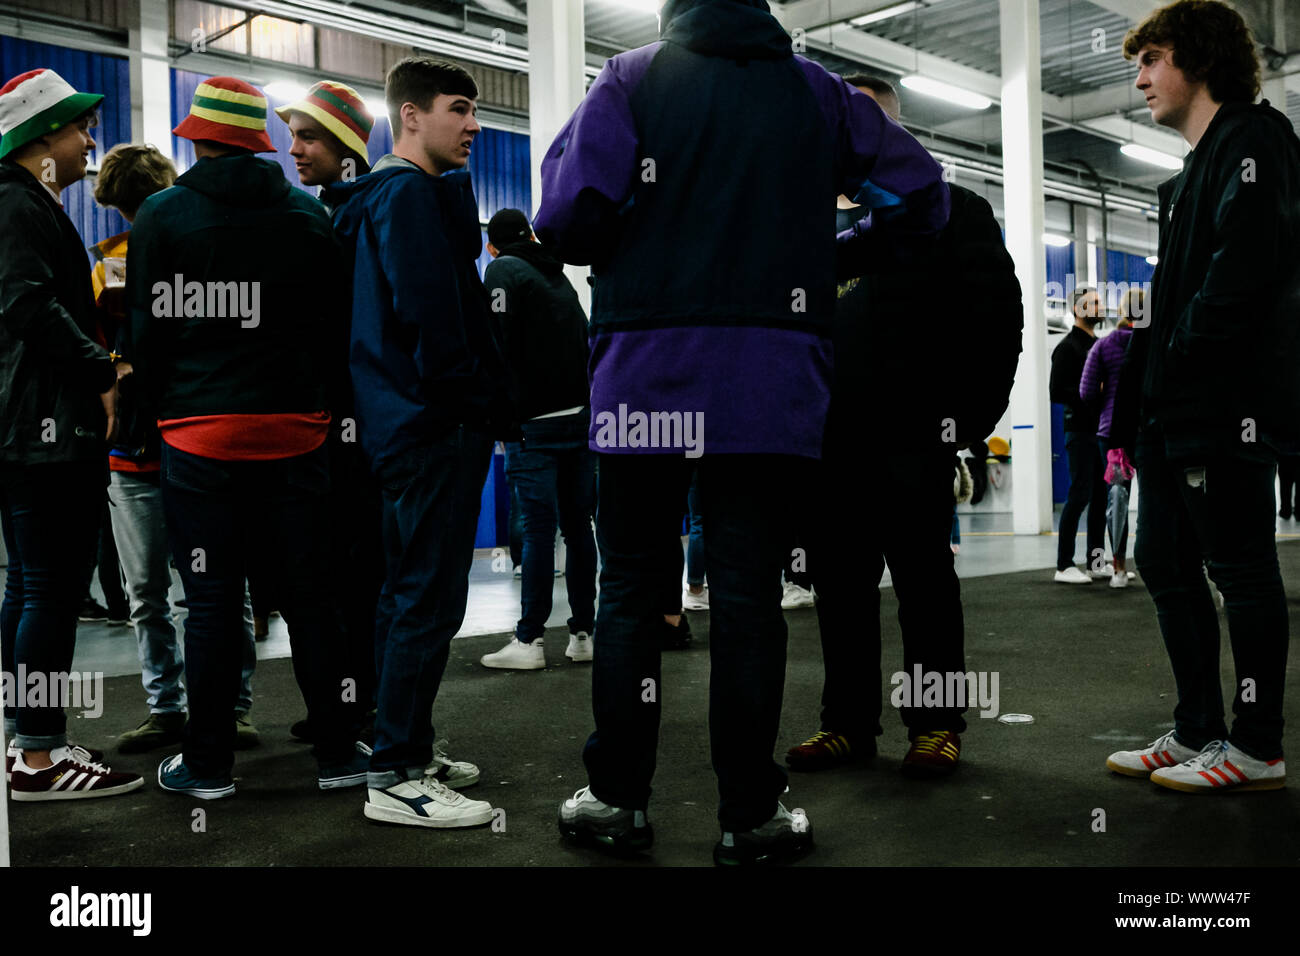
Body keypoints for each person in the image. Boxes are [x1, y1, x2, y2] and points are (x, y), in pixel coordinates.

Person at [536, 0, 949, 865]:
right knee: (750, 598)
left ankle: (617, 800)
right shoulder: (821, 94)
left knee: (629, 594)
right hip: (768, 376)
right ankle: (749, 816)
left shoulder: (633, 77)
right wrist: (839, 246)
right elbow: (921, 198)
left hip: (647, 366)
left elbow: (568, 215)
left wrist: (638, 246)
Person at [126, 76, 365, 798]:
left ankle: (208, 768)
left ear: (197, 137)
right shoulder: (308, 216)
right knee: (311, 600)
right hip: (297, 433)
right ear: (258, 140)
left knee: (209, 602)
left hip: (201, 436)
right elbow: (334, 330)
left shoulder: (162, 217)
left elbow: (146, 336)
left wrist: (165, 414)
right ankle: (339, 752)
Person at [789, 75, 1021, 779]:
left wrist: (965, 425)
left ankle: (936, 725)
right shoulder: (813, 229)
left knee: (925, 587)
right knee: (841, 593)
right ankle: (848, 726)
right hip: (831, 445)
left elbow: (998, 324)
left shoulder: (959, 214)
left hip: (916, 439)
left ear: (893, 130)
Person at [1106, 0, 1298, 793]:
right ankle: (1196, 730)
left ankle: (1255, 747)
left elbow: (1243, 272)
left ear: (1201, 58)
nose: (1141, 78)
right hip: (1170, 411)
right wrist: (1137, 403)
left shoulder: (1256, 140)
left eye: (1152, 59)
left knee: (1240, 566)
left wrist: (1181, 361)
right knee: (1163, 560)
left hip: (1225, 406)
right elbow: (1173, 294)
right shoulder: (1185, 175)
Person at [324, 56, 514, 828]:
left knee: (406, 596)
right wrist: (473, 404)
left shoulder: (391, 196)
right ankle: (399, 774)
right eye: (459, 109)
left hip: (398, 422)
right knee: (425, 601)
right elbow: (434, 319)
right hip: (427, 424)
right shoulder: (405, 196)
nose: (474, 125)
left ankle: (401, 745)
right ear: (410, 115)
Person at [89, 143, 263, 754]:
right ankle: (212, 708)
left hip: (177, 444)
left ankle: (188, 707)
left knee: (165, 595)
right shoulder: (117, 263)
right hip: (173, 443)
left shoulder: (127, 261)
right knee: (206, 590)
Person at [0, 68, 142, 799]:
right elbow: (26, 304)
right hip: (47, 432)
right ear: (42, 135)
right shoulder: (18, 205)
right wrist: (101, 370)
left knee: (29, 588)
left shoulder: (22, 202)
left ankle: (28, 742)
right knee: (50, 592)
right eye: (80, 128)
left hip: (26, 429)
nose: (91, 141)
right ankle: (40, 758)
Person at [275, 81, 383, 745]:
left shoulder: (366, 211)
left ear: (346, 144)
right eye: (291, 137)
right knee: (331, 574)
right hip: (332, 424)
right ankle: (341, 707)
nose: (294, 150)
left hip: (363, 427)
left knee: (360, 576)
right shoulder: (333, 209)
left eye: (307, 137)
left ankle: (364, 710)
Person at [478, 208, 596, 670]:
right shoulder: (558, 276)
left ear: (492, 245)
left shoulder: (502, 269)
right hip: (579, 418)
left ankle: (529, 641)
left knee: (540, 533)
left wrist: (498, 416)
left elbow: (495, 343)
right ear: (529, 234)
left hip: (535, 424)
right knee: (579, 527)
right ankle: (583, 633)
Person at [1079, 287, 1140, 589]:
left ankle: (1118, 568)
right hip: (1150, 432)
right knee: (1162, 498)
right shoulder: (1155, 343)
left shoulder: (1104, 346)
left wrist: (1105, 402)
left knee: (1117, 497)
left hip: (1114, 433)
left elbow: (1086, 391)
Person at [1050, 286, 1109, 583]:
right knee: (1080, 493)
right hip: (1080, 432)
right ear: (1078, 309)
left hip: (1100, 432)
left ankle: (1096, 562)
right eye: (1093, 302)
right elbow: (1056, 391)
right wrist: (1092, 392)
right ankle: (1064, 565)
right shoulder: (1068, 347)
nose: (1100, 306)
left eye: (1100, 301)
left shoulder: (1099, 345)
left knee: (1101, 497)